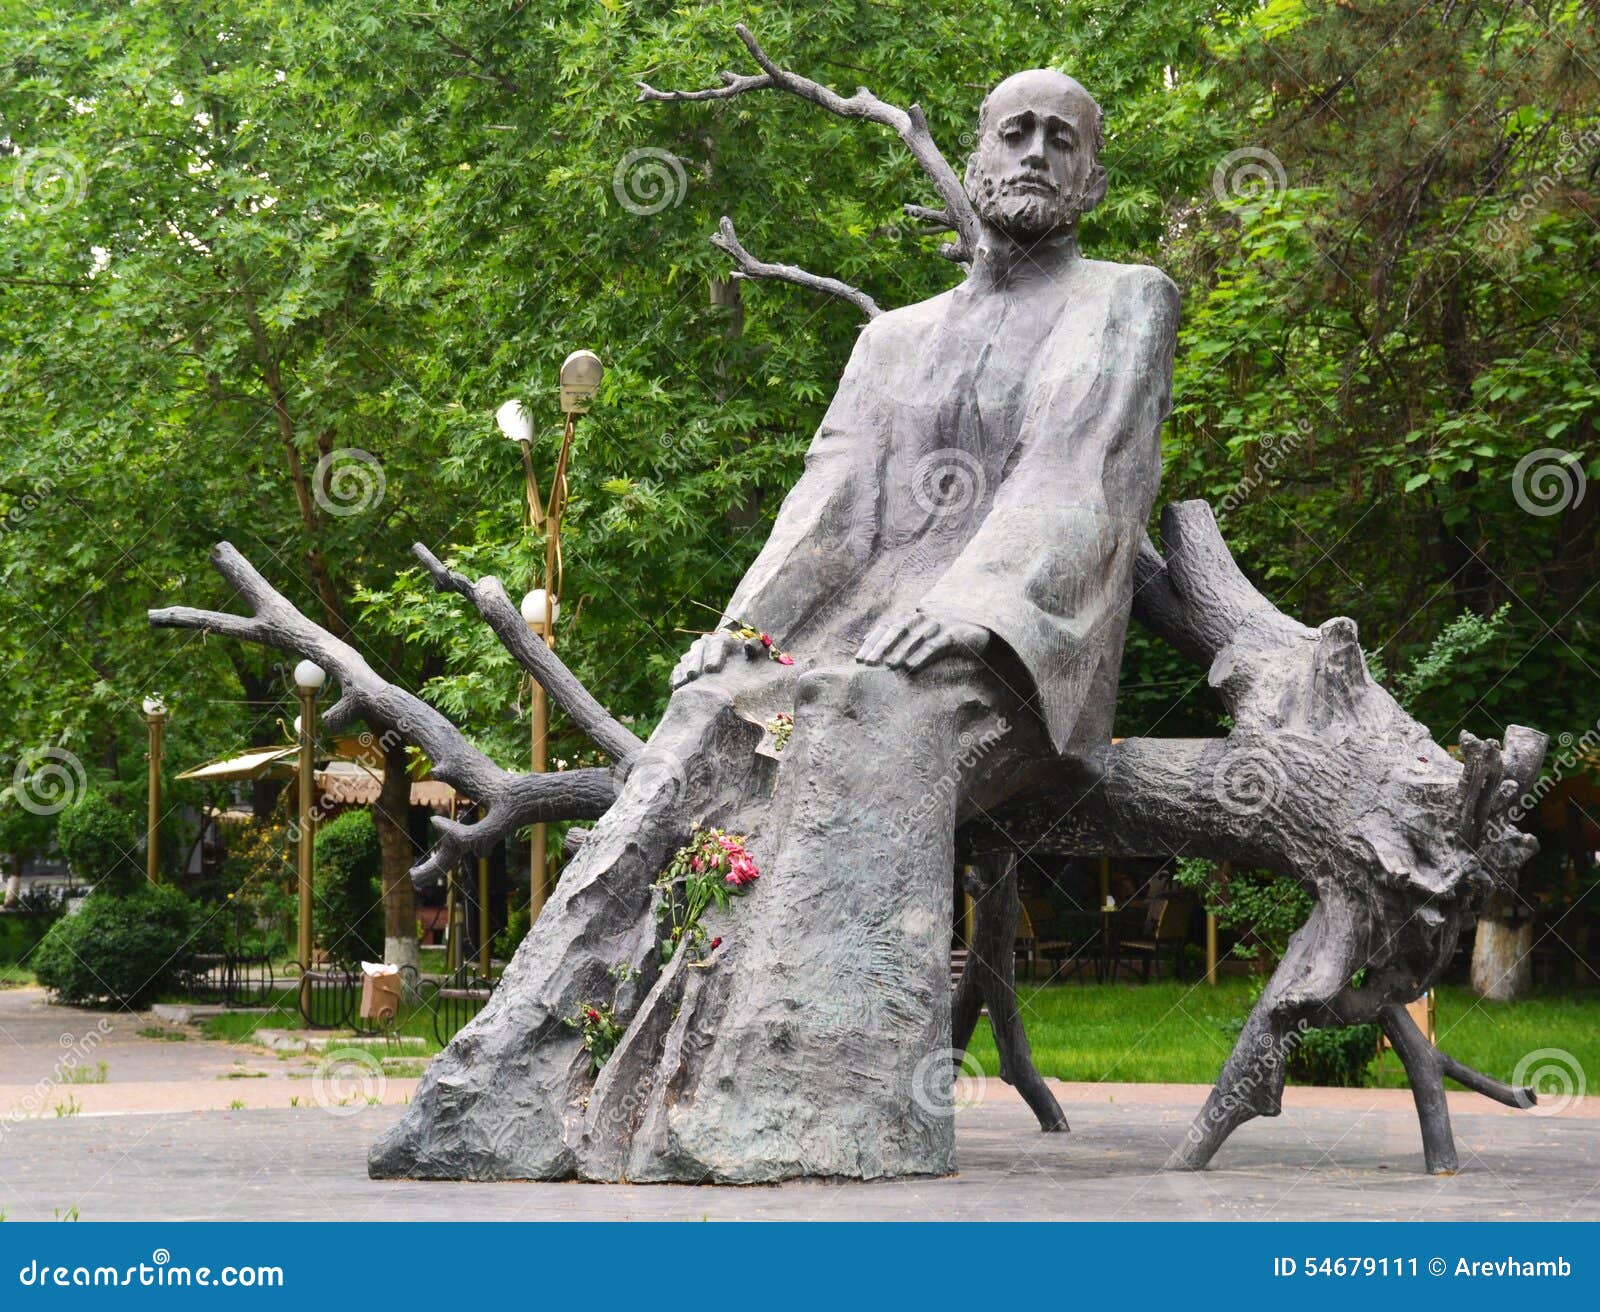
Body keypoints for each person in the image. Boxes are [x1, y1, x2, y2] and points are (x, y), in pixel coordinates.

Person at [373, 68, 1181, 1184]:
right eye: (1015, 132)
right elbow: (828, 507)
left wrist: (961, 610)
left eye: (1062, 138)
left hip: (1012, 654)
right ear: (978, 152)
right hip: (861, 636)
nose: (1037, 152)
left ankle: (827, 1098)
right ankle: (539, 1076)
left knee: (863, 715)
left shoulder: (1124, 298)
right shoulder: (894, 339)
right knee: (709, 709)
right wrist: (744, 632)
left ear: (1091, 175)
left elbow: (1074, 483)